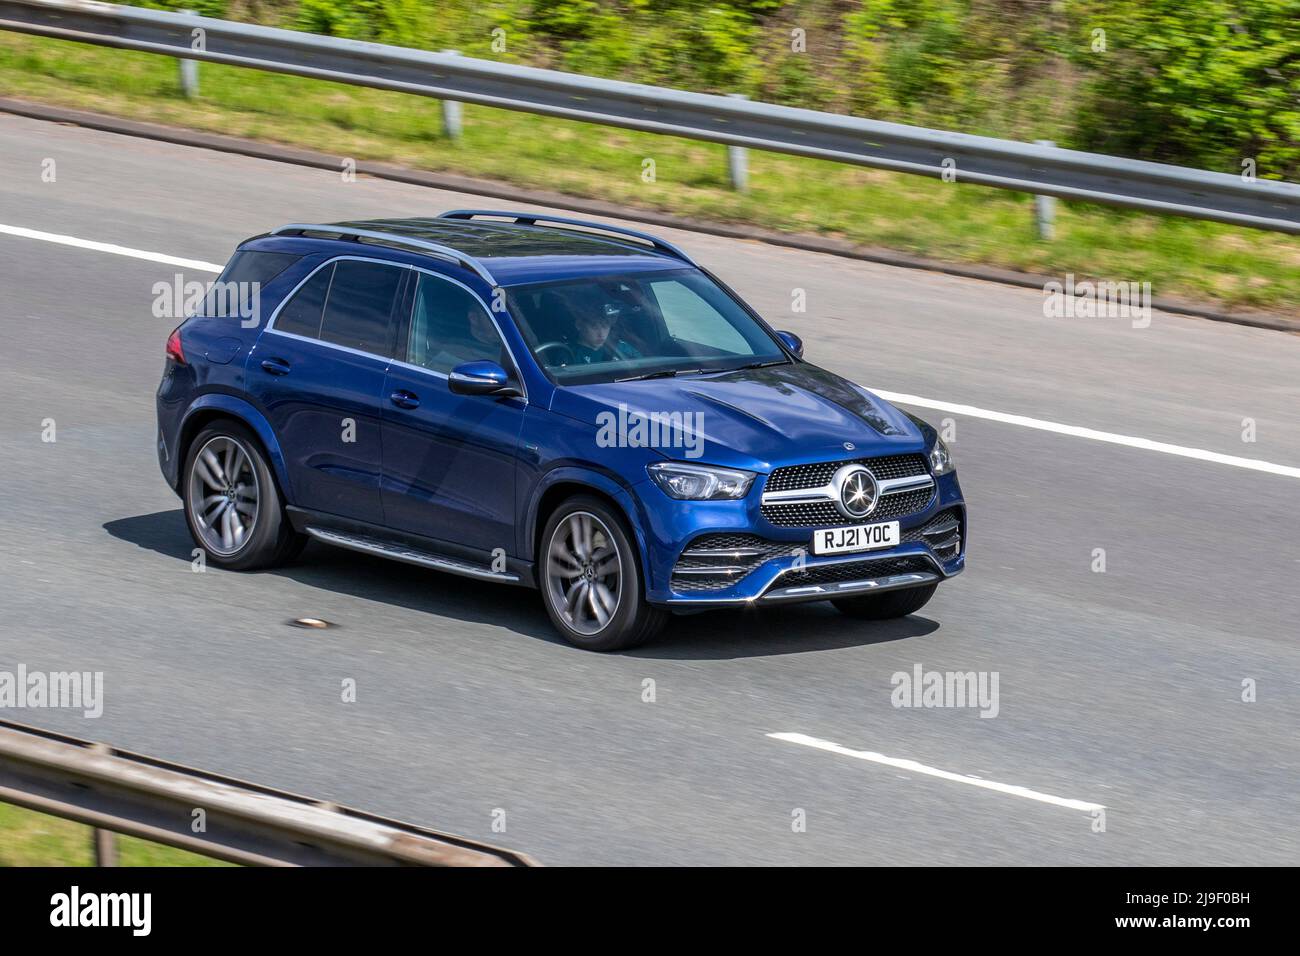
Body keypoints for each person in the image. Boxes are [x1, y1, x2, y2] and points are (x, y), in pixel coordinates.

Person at [570, 302, 641, 364]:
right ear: (579, 325)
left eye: (605, 326)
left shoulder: (621, 347)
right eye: (594, 327)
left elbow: (641, 366)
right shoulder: (570, 354)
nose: (601, 334)